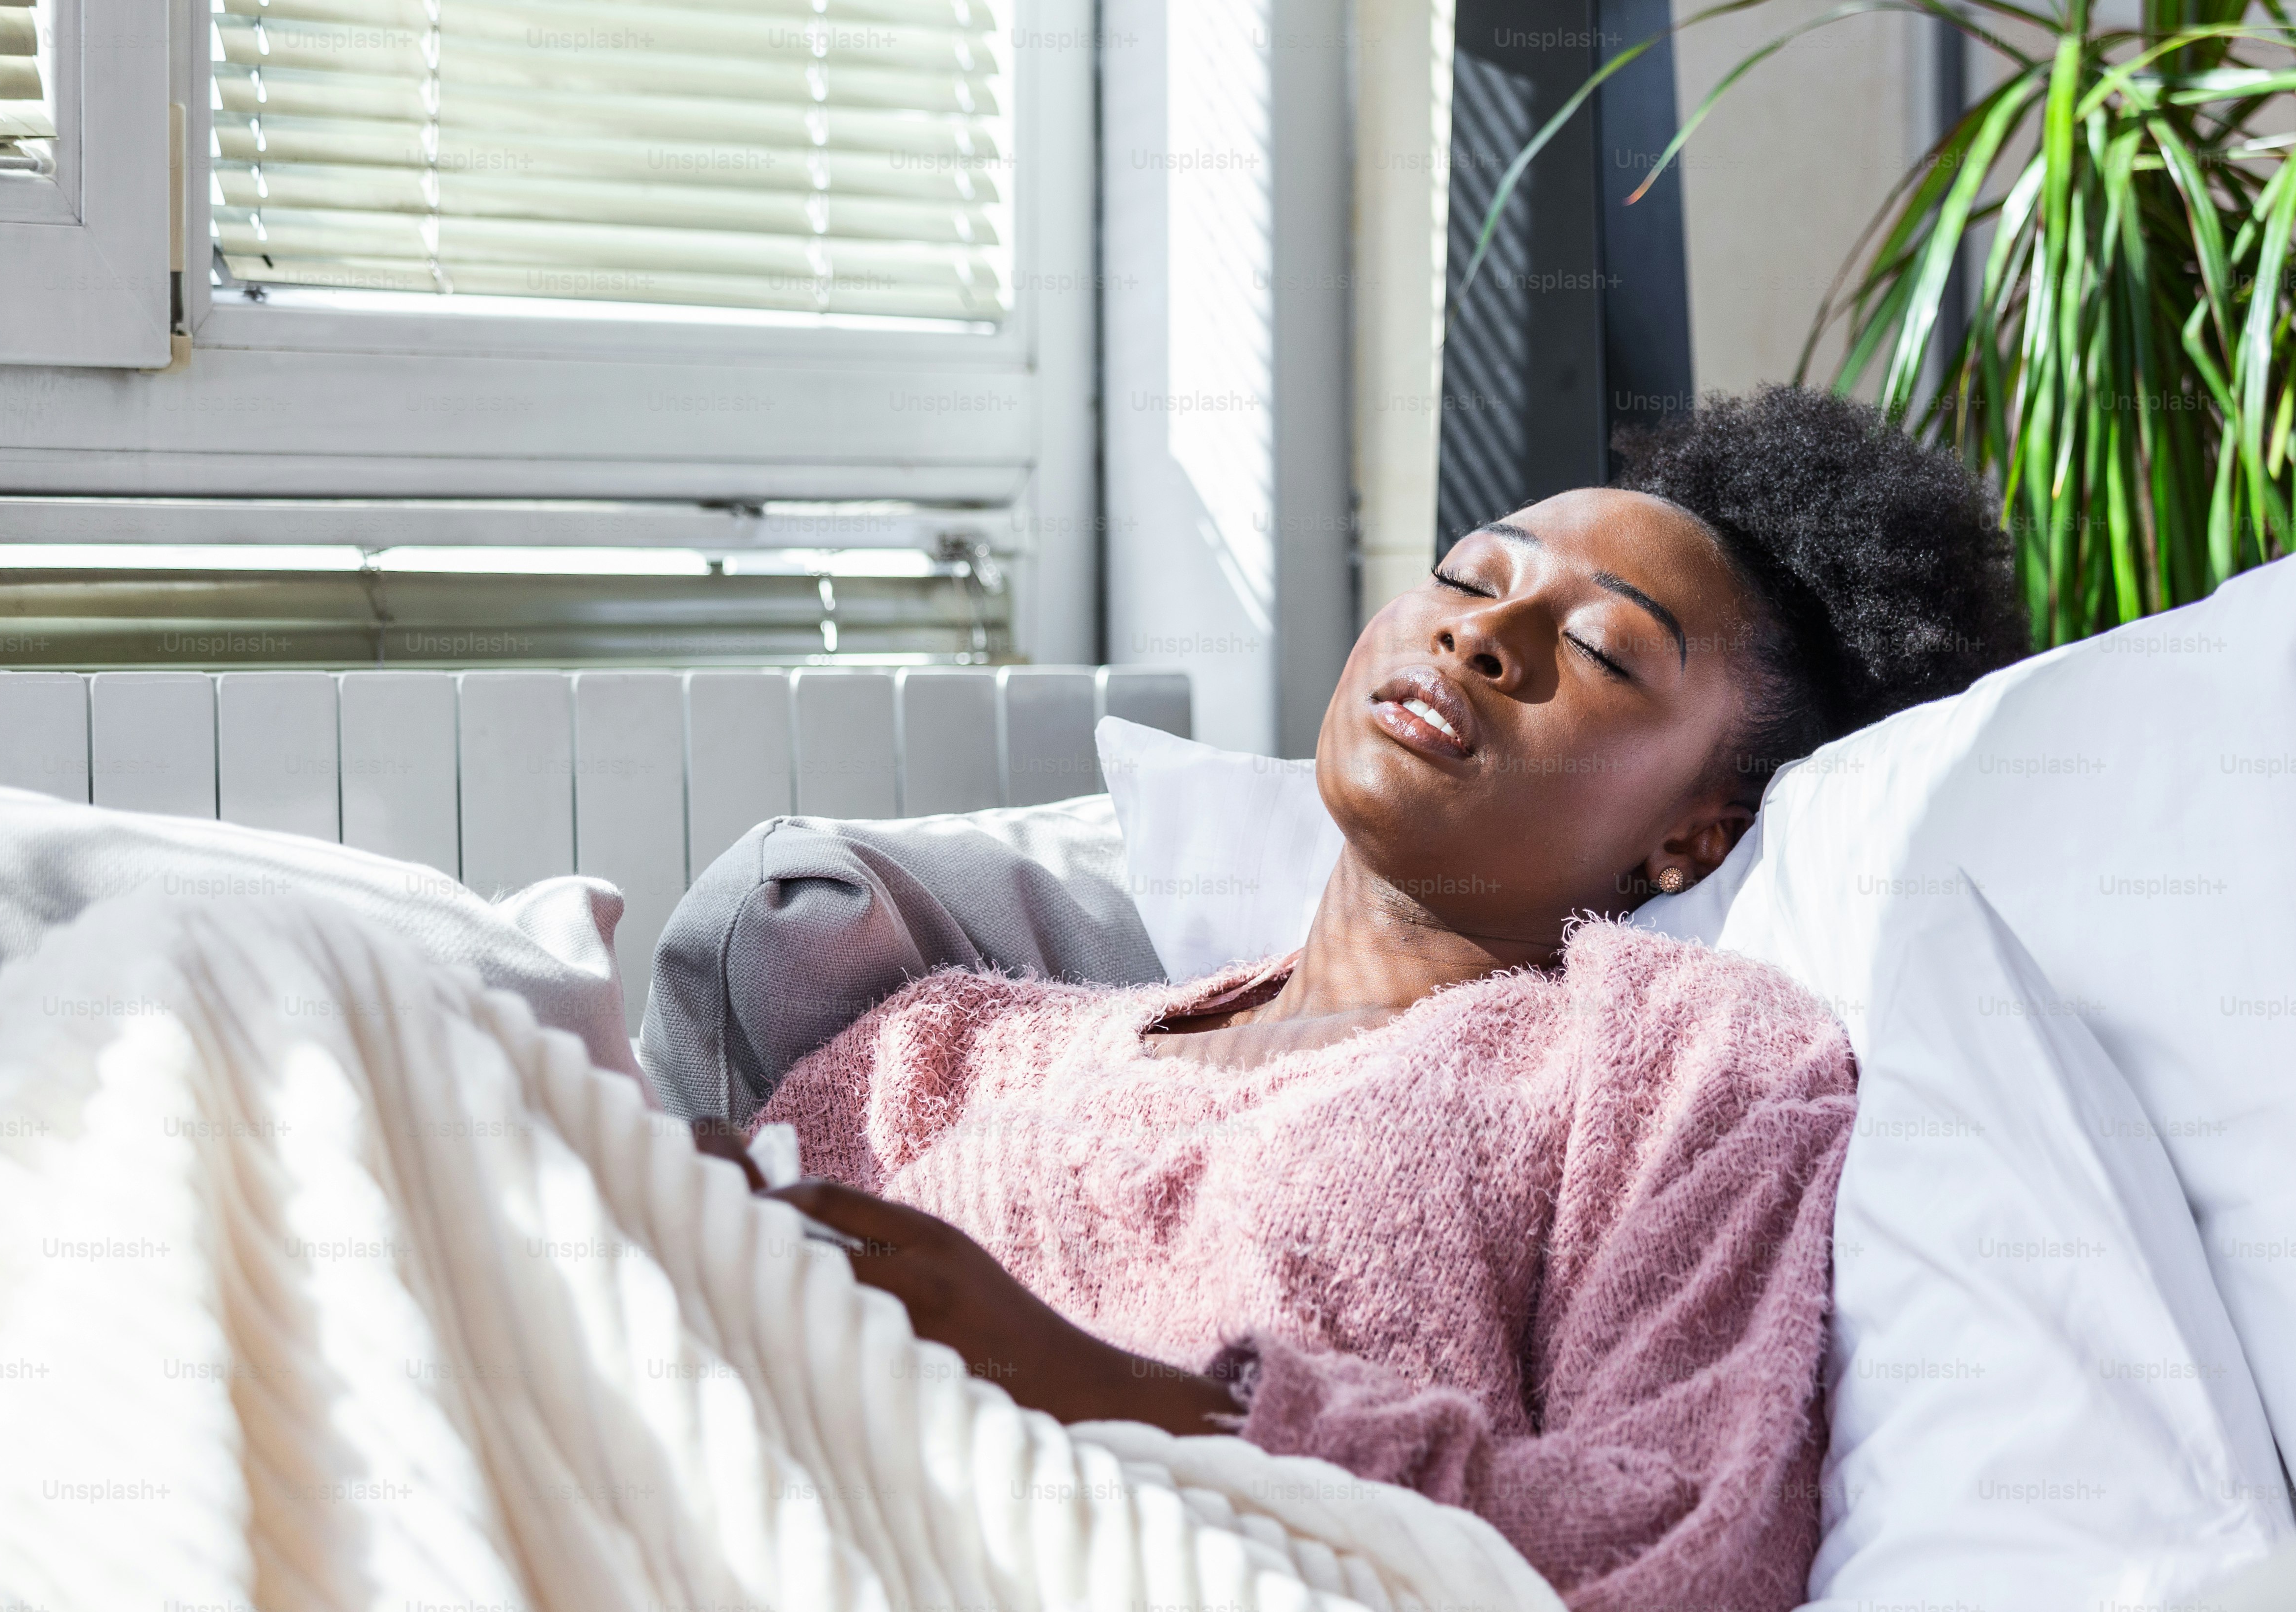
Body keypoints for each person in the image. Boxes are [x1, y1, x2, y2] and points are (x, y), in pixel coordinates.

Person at [714, 385, 2025, 1610]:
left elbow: (1687, 1543)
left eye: (1600, 650)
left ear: (1693, 835)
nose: (1481, 635)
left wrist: (1132, 1405)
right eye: (1466, 576)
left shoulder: (1677, 1061)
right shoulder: (945, 1049)